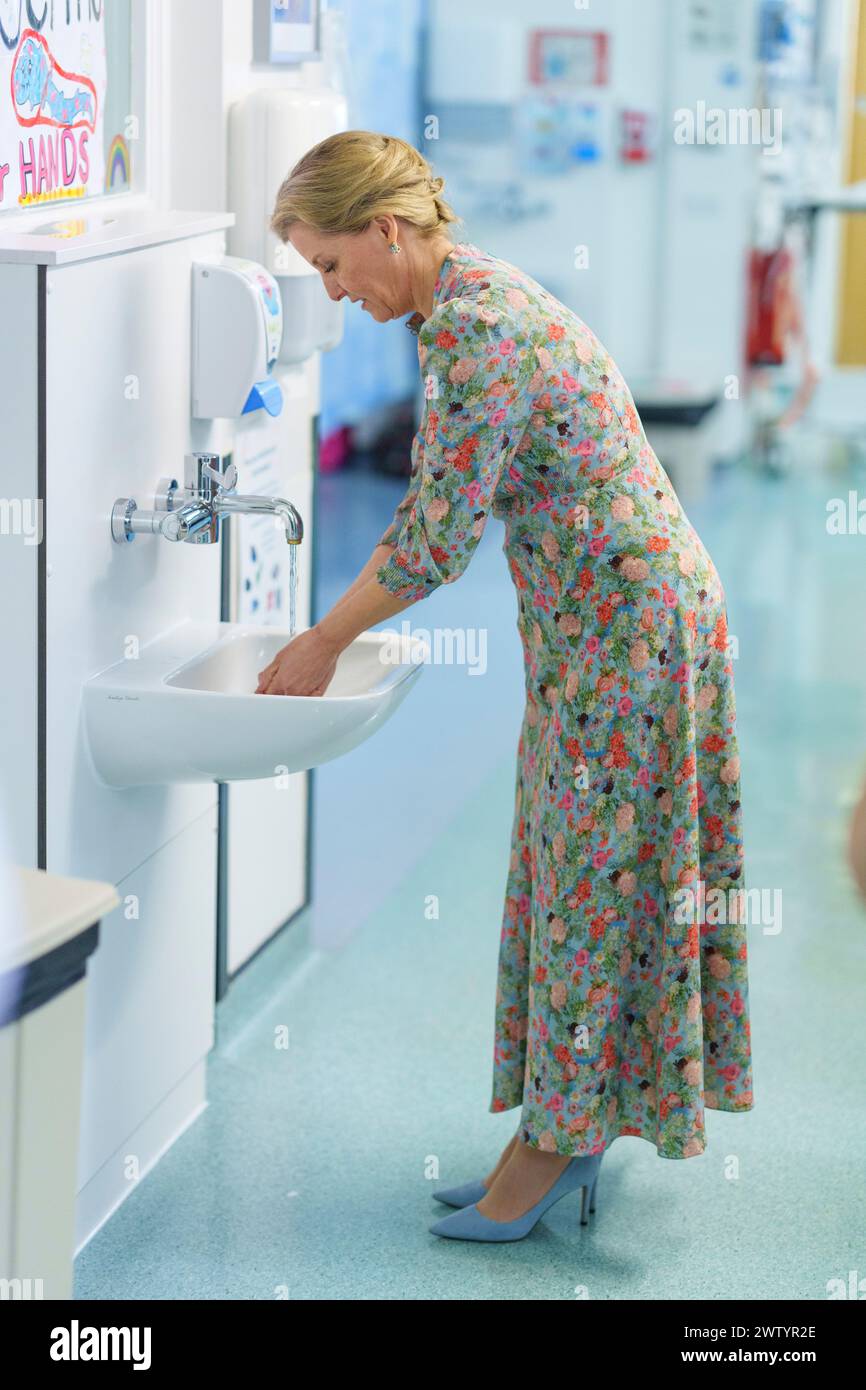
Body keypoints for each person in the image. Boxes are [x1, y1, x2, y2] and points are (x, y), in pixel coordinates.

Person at [257, 130, 755, 1243]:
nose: (332, 295)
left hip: (629, 636)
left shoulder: (475, 331)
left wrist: (318, 642)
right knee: (566, 872)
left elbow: (434, 539)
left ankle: (552, 1146)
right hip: (601, 627)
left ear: (385, 230)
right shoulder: (466, 301)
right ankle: (562, 1118)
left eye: (331, 266)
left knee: (587, 886)